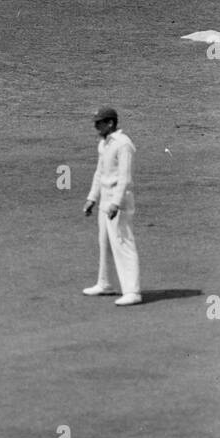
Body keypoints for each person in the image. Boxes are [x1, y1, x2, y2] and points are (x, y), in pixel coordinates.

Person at [82, 108, 141, 306]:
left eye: (99, 123)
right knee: (105, 242)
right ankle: (105, 283)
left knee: (123, 243)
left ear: (110, 123)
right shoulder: (104, 144)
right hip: (105, 198)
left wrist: (116, 203)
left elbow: (125, 177)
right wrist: (92, 198)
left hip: (120, 199)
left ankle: (132, 291)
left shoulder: (124, 144)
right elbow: (100, 173)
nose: (95, 127)